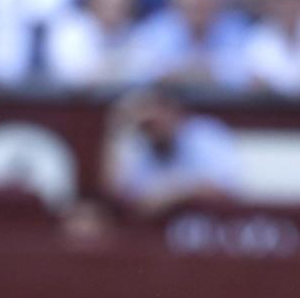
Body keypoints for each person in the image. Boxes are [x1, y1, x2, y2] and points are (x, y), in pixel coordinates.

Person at [103, 84, 242, 216]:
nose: (155, 127)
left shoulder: (206, 134)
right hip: (155, 233)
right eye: (148, 124)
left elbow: (223, 190)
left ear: (174, 111)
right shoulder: (141, 142)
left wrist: (172, 194)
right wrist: (118, 131)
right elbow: (117, 195)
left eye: (158, 115)